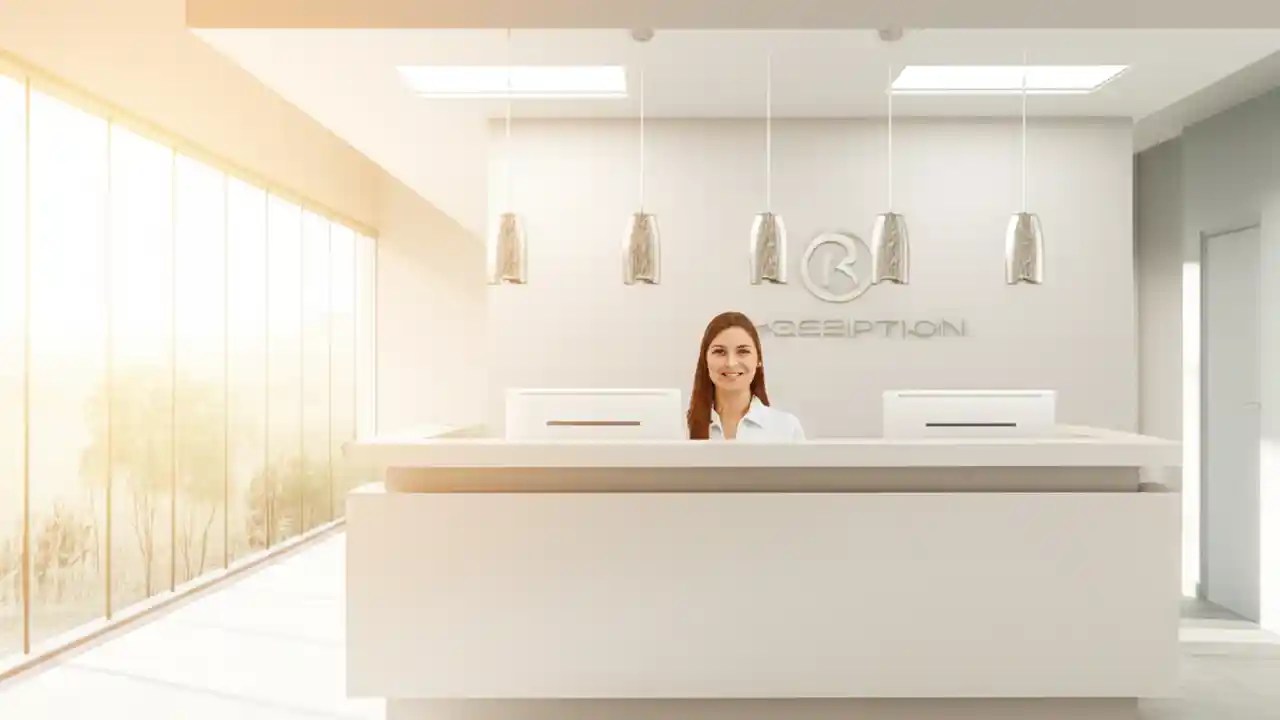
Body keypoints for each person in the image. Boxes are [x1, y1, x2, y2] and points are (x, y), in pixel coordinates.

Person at [686, 311, 805, 441]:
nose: (731, 363)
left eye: (743, 351)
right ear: (705, 359)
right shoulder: (681, 429)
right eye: (720, 351)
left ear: (758, 359)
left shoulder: (786, 428)